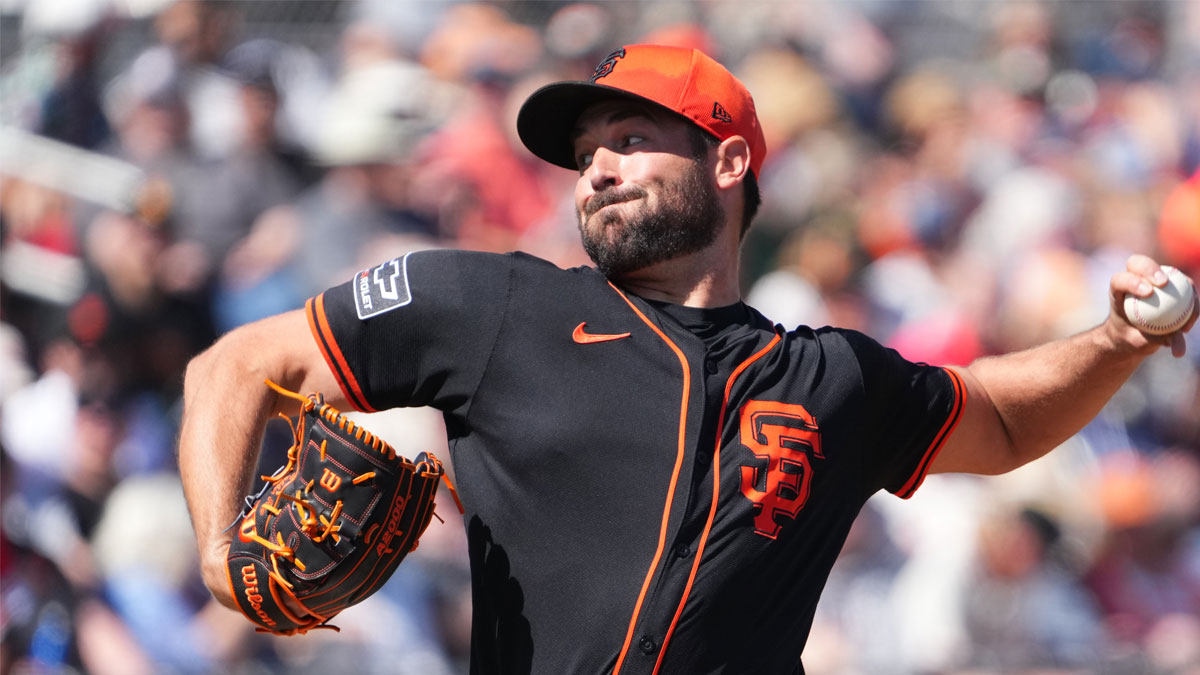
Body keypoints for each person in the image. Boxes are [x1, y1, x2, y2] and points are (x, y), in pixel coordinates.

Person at [178, 44, 1198, 674]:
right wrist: (223, 556)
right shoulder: (493, 304)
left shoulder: (831, 377)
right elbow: (229, 369)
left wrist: (1121, 342)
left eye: (628, 139)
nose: (598, 172)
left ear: (730, 160)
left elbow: (1007, 421)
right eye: (586, 158)